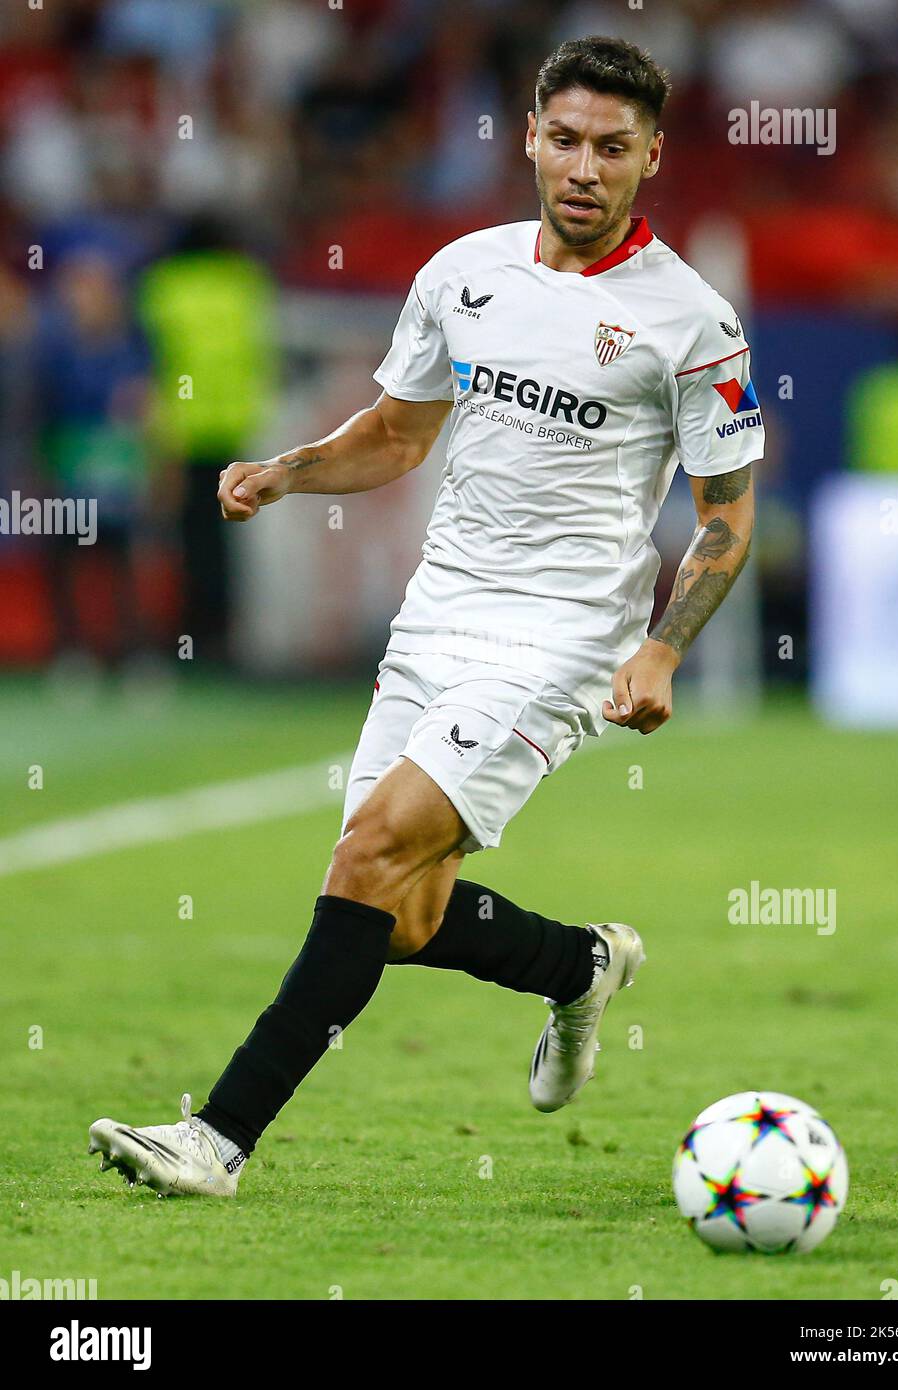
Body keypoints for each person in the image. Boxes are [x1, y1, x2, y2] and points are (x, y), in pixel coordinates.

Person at [88, 35, 762, 1197]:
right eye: (565, 140)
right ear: (531, 139)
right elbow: (397, 433)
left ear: (652, 155)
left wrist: (661, 645)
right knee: (399, 915)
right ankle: (580, 962)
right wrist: (290, 469)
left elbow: (727, 518)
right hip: (436, 621)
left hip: (562, 643)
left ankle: (220, 1137)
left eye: (614, 147)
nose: (585, 168)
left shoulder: (693, 322)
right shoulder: (463, 274)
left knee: (367, 855)